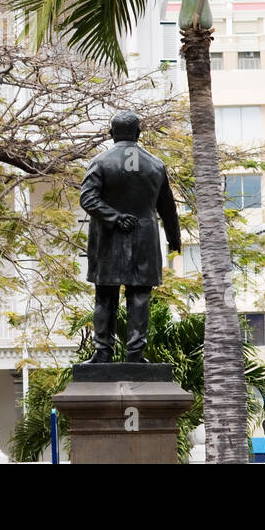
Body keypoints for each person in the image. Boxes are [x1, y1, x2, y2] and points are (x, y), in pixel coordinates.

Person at [78, 110, 181, 363]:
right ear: (138, 133)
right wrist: (174, 239)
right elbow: (167, 207)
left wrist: (113, 217)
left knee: (105, 296)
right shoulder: (156, 164)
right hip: (144, 238)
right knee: (139, 297)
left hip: (107, 240)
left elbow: (88, 198)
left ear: (111, 133)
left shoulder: (100, 161)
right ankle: (135, 353)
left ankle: (102, 352)